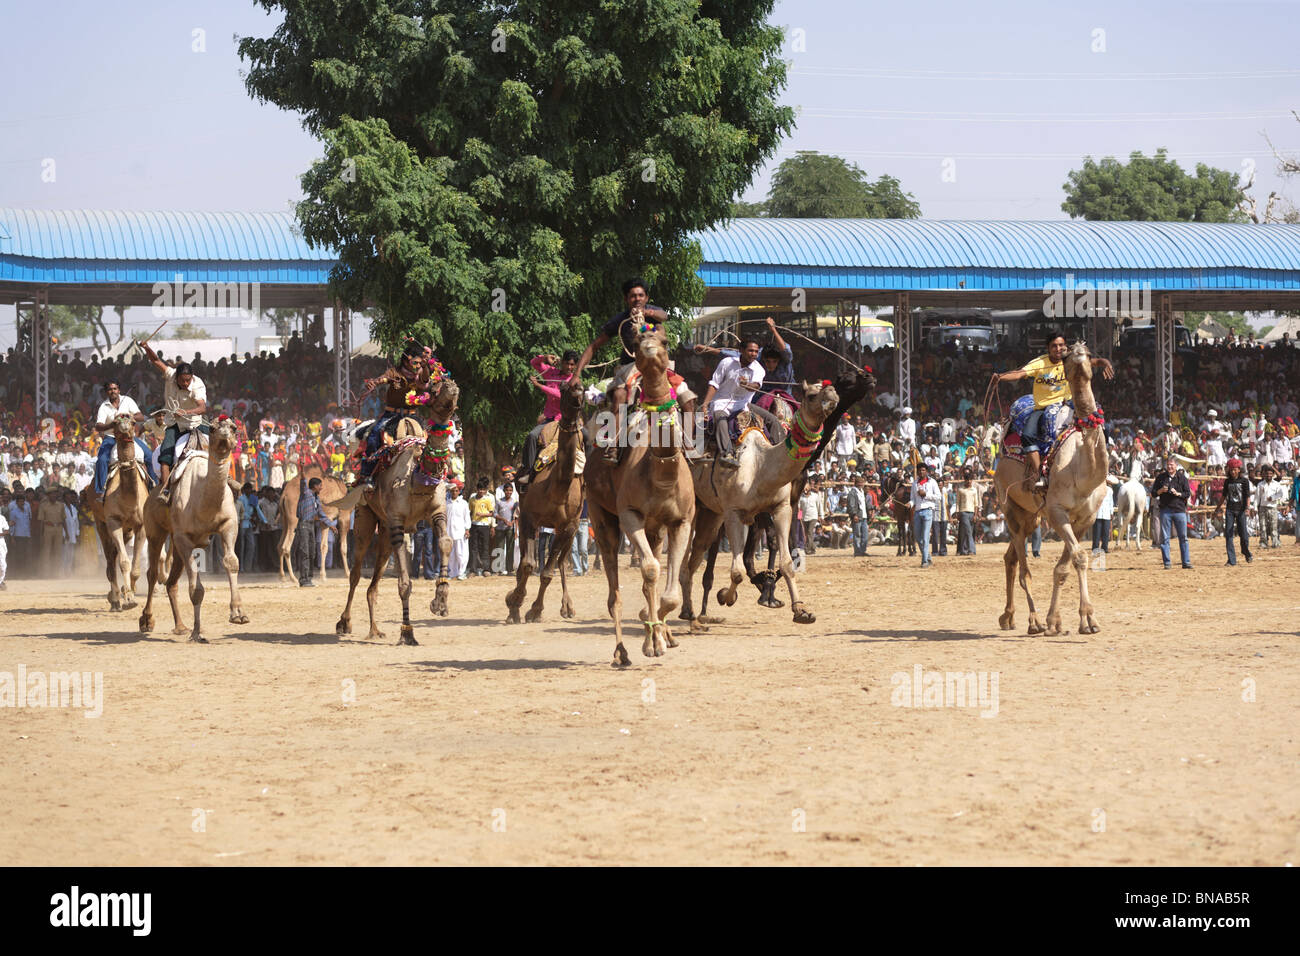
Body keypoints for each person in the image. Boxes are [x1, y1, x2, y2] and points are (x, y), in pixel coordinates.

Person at [993, 332, 1114, 491]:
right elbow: (1020, 373)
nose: (1058, 349)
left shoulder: (1071, 360)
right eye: (1054, 346)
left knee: (1099, 423)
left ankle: (1105, 469)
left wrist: (1106, 363)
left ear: (1065, 346)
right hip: (1043, 408)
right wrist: (1001, 377)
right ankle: (1039, 474)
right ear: (1048, 348)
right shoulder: (1040, 363)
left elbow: (1093, 361)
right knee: (1028, 436)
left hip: (1069, 405)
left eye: (1061, 345)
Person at [140, 341, 208, 504]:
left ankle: (225, 480)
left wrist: (185, 412)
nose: (185, 383)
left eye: (188, 380)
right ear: (176, 376)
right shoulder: (170, 374)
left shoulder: (197, 385)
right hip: (173, 425)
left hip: (195, 424)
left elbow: (202, 407)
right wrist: (147, 348)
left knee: (218, 443)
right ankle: (166, 491)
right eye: (182, 380)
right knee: (165, 457)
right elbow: (156, 361)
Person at [357, 341, 428, 490]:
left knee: (430, 440)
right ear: (405, 360)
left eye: (420, 363)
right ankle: (367, 474)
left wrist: (426, 366)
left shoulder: (422, 373)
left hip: (413, 415)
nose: (417, 366)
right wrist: (373, 383)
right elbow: (382, 379)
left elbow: (425, 380)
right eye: (415, 362)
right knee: (374, 436)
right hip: (391, 415)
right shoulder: (394, 372)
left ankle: (430, 474)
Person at [518, 351, 578, 488]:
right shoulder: (551, 372)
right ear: (562, 362)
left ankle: (588, 475)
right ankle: (528, 471)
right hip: (549, 418)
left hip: (565, 419)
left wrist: (539, 386)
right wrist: (545, 358)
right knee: (532, 436)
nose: (569, 367)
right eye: (567, 364)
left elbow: (560, 395)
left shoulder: (573, 381)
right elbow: (533, 363)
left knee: (586, 437)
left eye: (572, 365)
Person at [701, 338, 764, 467]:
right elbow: (714, 384)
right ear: (741, 350)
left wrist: (747, 385)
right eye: (750, 350)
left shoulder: (759, 369)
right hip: (721, 402)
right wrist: (705, 404)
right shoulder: (726, 363)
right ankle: (727, 453)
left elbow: (756, 386)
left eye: (756, 352)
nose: (753, 354)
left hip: (743, 404)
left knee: (772, 420)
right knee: (719, 416)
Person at [91, 380, 147, 496]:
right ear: (107, 392)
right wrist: (112, 424)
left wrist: (128, 416)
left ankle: (154, 486)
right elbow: (98, 426)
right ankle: (100, 491)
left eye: (115, 389)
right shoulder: (104, 406)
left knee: (149, 456)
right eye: (110, 389)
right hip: (111, 437)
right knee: (102, 460)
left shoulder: (128, 400)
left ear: (119, 390)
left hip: (128, 436)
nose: (113, 391)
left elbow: (140, 416)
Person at [1151, 456, 1193, 569]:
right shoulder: (1160, 478)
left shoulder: (1182, 477)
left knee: (1183, 537)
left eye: (1172, 465)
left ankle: (1186, 562)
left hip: (1179, 510)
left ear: (1176, 466)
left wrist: (1178, 494)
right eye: (1168, 465)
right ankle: (1167, 563)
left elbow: (1187, 493)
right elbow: (1153, 493)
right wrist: (1161, 491)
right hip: (1165, 510)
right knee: (1165, 538)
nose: (1170, 467)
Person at [295, 476, 338, 587]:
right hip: (304, 524)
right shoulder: (306, 493)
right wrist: (302, 468)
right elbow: (303, 481)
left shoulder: (316, 499)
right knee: (305, 551)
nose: (321, 488)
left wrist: (331, 526)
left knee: (312, 552)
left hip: (311, 525)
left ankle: (308, 578)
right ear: (314, 486)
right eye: (320, 485)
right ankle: (304, 579)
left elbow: (322, 515)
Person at [1214, 457, 1252, 566]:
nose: (1233, 471)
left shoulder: (1244, 481)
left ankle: (1246, 552)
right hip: (1230, 510)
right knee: (1229, 534)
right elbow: (1223, 496)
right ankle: (1231, 560)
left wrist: (1247, 508)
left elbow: (1247, 496)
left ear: (1239, 469)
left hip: (1241, 510)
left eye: (1235, 469)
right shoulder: (1227, 482)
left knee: (1244, 535)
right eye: (1231, 470)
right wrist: (1217, 508)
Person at [909, 462, 942, 568]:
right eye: (919, 470)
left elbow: (938, 497)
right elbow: (913, 499)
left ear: (926, 471)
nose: (921, 472)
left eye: (923, 470)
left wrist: (926, 495)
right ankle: (927, 557)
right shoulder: (914, 483)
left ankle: (924, 561)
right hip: (917, 511)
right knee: (918, 537)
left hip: (928, 510)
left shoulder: (932, 482)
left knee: (925, 536)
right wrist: (909, 504)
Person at [467, 478, 495, 576]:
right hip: (474, 525)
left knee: (485, 548)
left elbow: (491, 513)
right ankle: (473, 570)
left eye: (483, 490)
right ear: (477, 489)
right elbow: (469, 511)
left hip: (484, 526)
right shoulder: (472, 499)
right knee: (474, 548)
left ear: (485, 490)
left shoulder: (487, 500)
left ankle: (486, 569)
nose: (481, 491)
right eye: (479, 489)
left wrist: (483, 515)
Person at [1255, 464, 1285, 549]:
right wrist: (1254, 508)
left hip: (1273, 507)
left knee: (1273, 526)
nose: (1269, 475)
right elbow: (1257, 497)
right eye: (1267, 474)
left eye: (1270, 474)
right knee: (1263, 526)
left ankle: (1275, 542)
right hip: (1262, 508)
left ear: (1273, 474)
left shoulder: (1276, 484)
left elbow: (1280, 494)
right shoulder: (1260, 484)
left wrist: (1272, 498)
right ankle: (1263, 543)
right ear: (1264, 474)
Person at [446, 483, 471, 580]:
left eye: (456, 491)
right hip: (449, 532)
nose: (454, 493)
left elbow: (467, 517)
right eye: (452, 491)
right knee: (451, 554)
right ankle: (452, 573)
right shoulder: (447, 503)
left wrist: (467, 529)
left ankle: (462, 572)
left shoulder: (463, 503)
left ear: (459, 491)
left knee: (461, 553)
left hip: (461, 532)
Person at [955, 467, 980, 555]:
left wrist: (976, 515)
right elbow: (957, 502)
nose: (969, 481)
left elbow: (976, 504)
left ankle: (963, 550)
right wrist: (957, 513)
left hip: (972, 512)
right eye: (967, 480)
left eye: (970, 480)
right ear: (964, 480)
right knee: (968, 531)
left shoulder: (974, 490)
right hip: (963, 512)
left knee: (966, 532)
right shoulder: (961, 489)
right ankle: (972, 550)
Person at [494, 481, 519, 574]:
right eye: (507, 490)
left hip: (510, 529)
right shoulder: (499, 501)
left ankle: (509, 569)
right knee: (499, 548)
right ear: (504, 491)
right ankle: (498, 569)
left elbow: (516, 516)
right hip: (500, 528)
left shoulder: (515, 503)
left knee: (510, 548)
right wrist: (503, 519)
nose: (509, 492)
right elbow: (495, 514)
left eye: (510, 490)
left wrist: (513, 526)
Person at [845, 473, 872, 557]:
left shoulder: (861, 492)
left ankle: (862, 550)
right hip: (857, 516)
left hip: (864, 516)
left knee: (865, 535)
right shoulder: (852, 493)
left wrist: (872, 508)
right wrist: (854, 515)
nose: (861, 484)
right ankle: (857, 551)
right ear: (856, 483)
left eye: (862, 482)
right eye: (860, 482)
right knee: (857, 535)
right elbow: (851, 505)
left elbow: (865, 504)